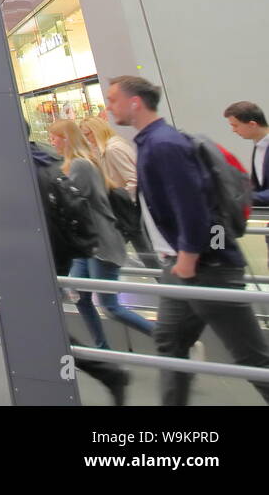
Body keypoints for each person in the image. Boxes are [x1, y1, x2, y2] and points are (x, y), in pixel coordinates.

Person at [106, 75, 269, 405]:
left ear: (135, 102)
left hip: (204, 267)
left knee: (251, 356)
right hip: (183, 266)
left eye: (113, 100)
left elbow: (193, 205)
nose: (108, 107)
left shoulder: (163, 145)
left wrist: (189, 257)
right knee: (169, 344)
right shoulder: (153, 142)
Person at [49, 119, 155, 347]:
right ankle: (102, 348)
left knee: (110, 306)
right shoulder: (78, 163)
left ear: (67, 139)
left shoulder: (80, 165)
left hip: (99, 243)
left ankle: (170, 339)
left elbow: (70, 203)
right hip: (87, 243)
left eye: (55, 137)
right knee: (79, 294)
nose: (52, 142)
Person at [80, 116, 154, 264]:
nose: (87, 139)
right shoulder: (108, 148)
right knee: (143, 251)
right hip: (128, 209)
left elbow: (133, 179)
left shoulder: (112, 149)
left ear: (97, 131)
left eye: (88, 134)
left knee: (144, 251)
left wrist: (126, 200)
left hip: (128, 209)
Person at [224, 101, 269, 205]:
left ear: (252, 124)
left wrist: (244, 198)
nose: (233, 130)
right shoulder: (259, 145)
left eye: (235, 125)